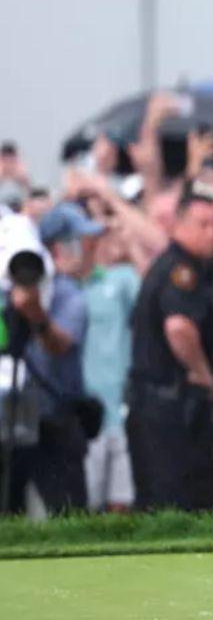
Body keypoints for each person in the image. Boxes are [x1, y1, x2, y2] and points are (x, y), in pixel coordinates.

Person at [126, 183, 213, 512]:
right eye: (203, 224)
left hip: (159, 405)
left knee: (170, 500)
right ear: (178, 225)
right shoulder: (182, 271)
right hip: (171, 408)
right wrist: (203, 374)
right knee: (176, 503)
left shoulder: (186, 266)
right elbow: (179, 327)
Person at [4, 204, 93, 515]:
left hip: (53, 418)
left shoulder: (66, 293)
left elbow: (59, 345)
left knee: (69, 513)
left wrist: (35, 313)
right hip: (8, 417)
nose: (87, 250)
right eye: (79, 242)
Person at [79, 226, 141, 513]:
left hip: (119, 408)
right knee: (84, 505)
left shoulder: (123, 278)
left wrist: (132, 247)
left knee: (122, 503)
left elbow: (151, 298)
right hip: (83, 413)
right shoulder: (67, 282)